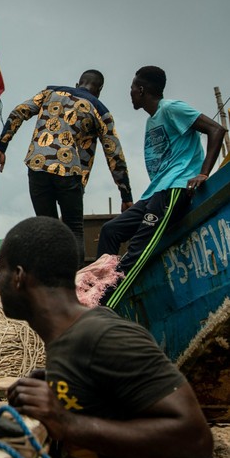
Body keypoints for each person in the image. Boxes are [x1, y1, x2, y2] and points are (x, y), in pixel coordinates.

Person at [0, 216, 219, 458]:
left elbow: (196, 439)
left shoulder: (104, 336)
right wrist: (61, 386)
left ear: (18, 277)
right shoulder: (67, 340)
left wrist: (67, 422)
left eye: (1, 271)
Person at [97, 66, 227, 307]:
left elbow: (216, 129)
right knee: (110, 230)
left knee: (137, 251)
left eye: (132, 89)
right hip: (155, 192)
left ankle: (102, 306)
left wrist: (203, 173)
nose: (131, 93)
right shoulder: (152, 120)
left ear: (142, 89)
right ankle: (98, 288)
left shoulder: (171, 108)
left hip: (174, 189)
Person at [0, 70, 133, 266]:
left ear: (77, 83)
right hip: (69, 171)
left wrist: (1, 148)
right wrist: (126, 196)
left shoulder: (49, 93)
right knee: (73, 229)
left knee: (46, 228)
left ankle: (47, 280)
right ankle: (71, 283)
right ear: (98, 90)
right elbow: (115, 155)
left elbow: (18, 112)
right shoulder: (100, 110)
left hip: (37, 164)